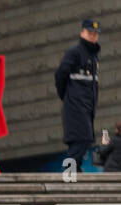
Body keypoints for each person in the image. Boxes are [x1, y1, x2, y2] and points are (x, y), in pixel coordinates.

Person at [56, 18, 101, 172]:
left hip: (87, 108)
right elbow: (60, 75)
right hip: (76, 107)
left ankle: (74, 171)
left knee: (82, 140)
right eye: (90, 33)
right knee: (82, 138)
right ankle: (68, 173)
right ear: (82, 32)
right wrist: (67, 97)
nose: (93, 36)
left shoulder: (94, 58)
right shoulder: (75, 52)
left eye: (95, 33)